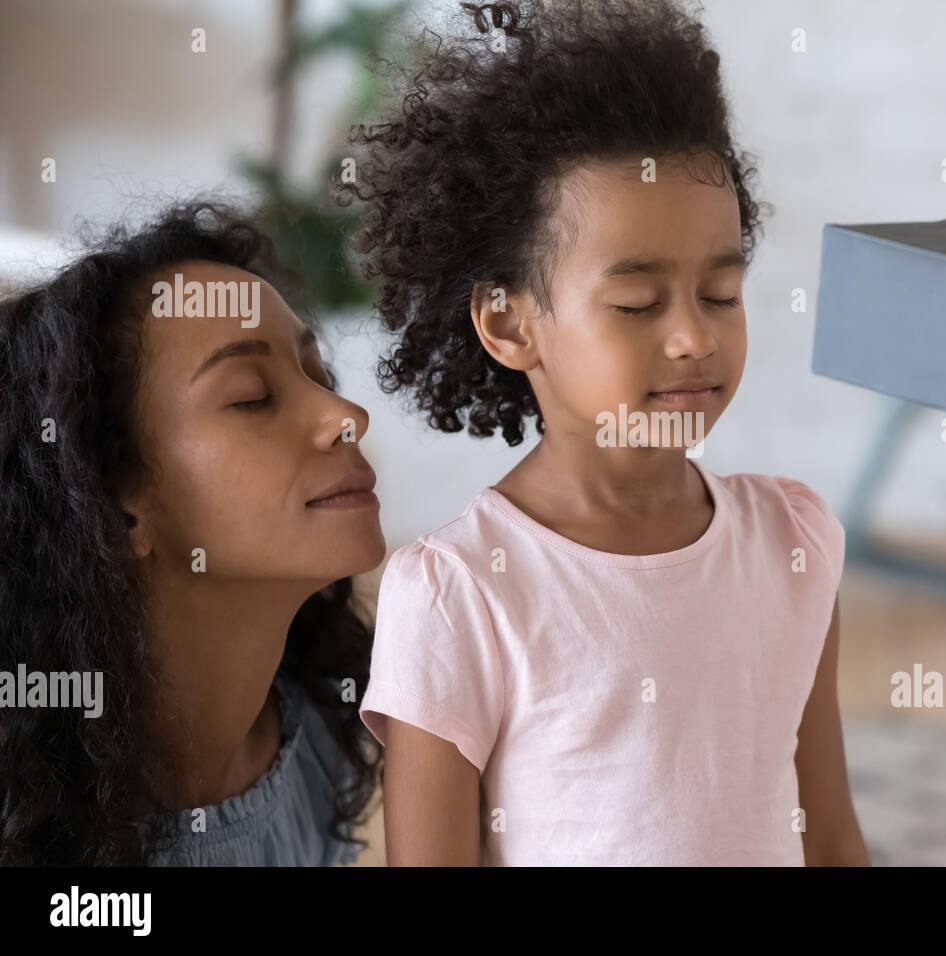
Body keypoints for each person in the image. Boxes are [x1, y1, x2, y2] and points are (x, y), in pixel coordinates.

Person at [346, 0, 870, 865]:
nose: (694, 337)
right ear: (510, 325)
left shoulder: (795, 540)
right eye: (637, 303)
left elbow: (830, 833)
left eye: (721, 294)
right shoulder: (459, 592)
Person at [0, 202, 384, 865]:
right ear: (118, 507)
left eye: (319, 376)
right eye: (251, 396)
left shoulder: (326, 737)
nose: (346, 415)